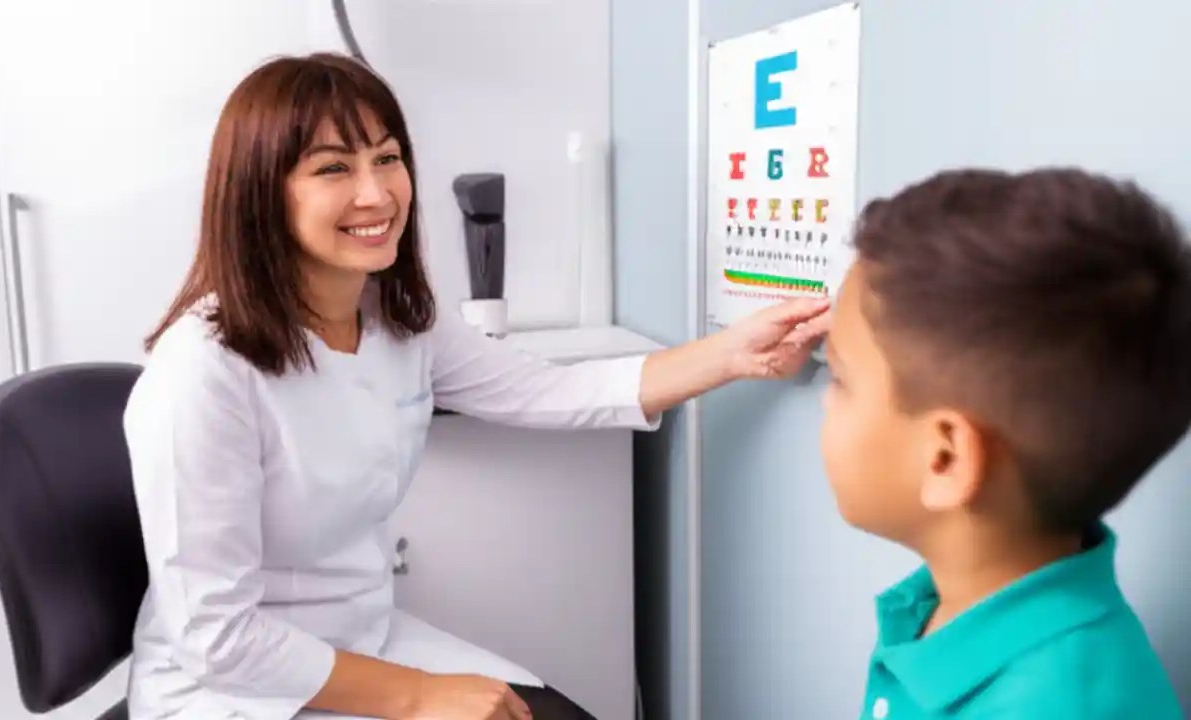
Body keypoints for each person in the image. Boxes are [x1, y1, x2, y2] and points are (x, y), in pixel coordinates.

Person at [123, 52, 829, 720]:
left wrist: (737, 354)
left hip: (363, 639)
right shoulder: (203, 371)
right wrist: (419, 696)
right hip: (233, 689)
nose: (376, 193)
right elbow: (213, 639)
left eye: (388, 158)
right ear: (258, 194)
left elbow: (550, 392)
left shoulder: (395, 322)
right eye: (333, 168)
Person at [820, 167, 1189, 718]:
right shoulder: (943, 607)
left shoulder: (1062, 704)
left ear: (945, 458)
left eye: (840, 379)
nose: (827, 403)